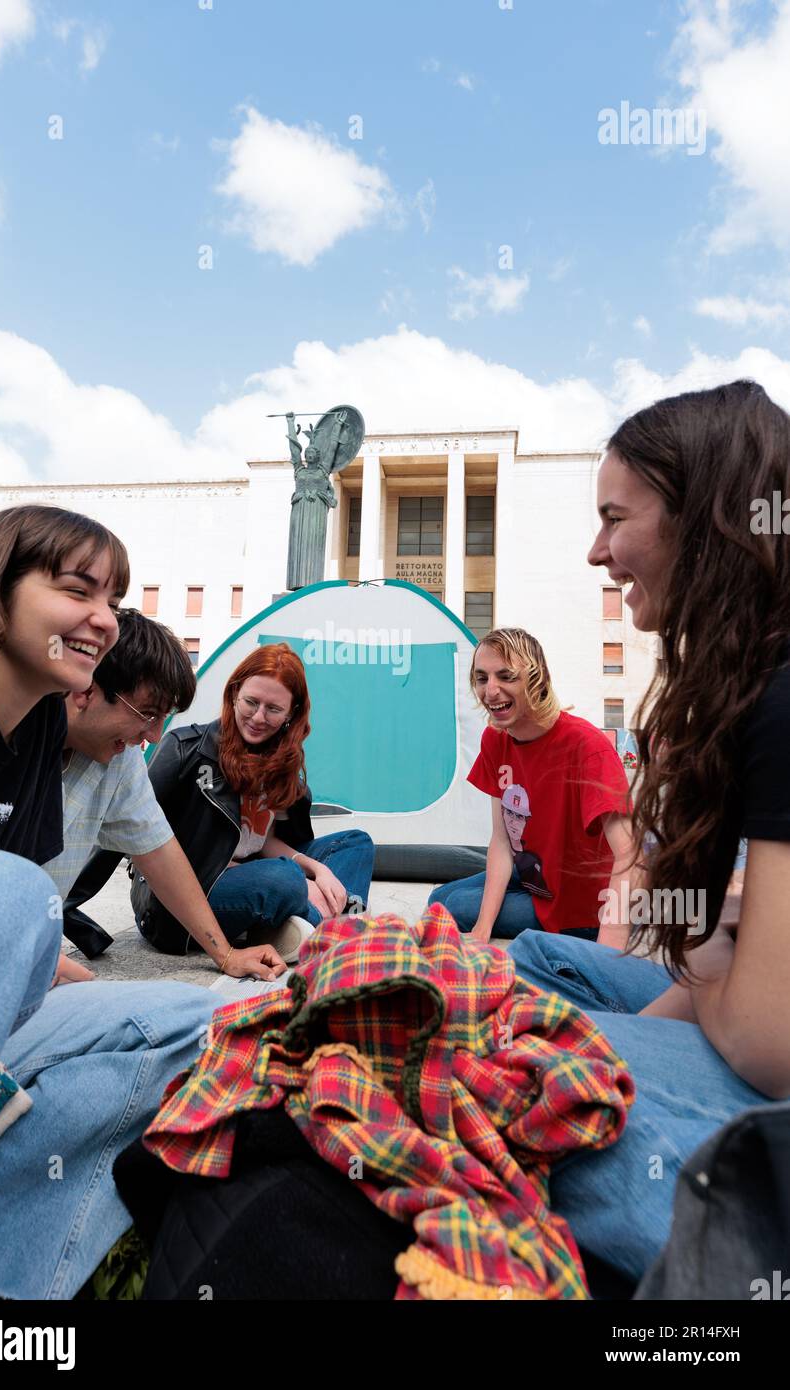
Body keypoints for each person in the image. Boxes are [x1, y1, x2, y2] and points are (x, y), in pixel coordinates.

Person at [507, 379, 790, 1282]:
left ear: (705, 519)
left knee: (504, 1101)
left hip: (766, 1051)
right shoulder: (749, 686)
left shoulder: (779, 700)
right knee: (533, 997)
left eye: (614, 517)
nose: (597, 551)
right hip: (739, 1011)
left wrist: (701, 937)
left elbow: (764, 1039)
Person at [0, 506, 221, 1298]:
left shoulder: (32, 748)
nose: (103, 619)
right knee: (17, 900)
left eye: (114, 602)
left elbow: (156, 856)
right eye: (76, 589)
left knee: (203, 1021)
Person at [48, 607, 286, 980]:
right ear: (86, 689)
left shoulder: (120, 758)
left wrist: (225, 955)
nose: (156, 735)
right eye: (147, 713)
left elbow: (158, 849)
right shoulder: (10, 735)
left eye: (276, 709)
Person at [132, 642, 375, 957]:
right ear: (234, 694)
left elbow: (262, 841)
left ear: (292, 713)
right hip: (187, 897)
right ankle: (328, 924)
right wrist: (301, 883)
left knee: (355, 843)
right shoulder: (185, 748)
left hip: (251, 871)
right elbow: (132, 829)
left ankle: (299, 923)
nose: (259, 717)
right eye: (251, 702)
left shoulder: (280, 763)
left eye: (273, 709)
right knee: (282, 877)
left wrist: (317, 871)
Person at [428, 628, 633, 943]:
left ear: (536, 680)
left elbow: (629, 853)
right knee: (440, 899)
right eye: (482, 679)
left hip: (578, 906)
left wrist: (603, 961)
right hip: (533, 875)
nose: (491, 690)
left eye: (506, 677)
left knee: (450, 905)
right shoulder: (495, 739)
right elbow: (501, 840)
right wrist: (482, 930)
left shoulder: (587, 745)